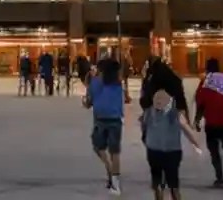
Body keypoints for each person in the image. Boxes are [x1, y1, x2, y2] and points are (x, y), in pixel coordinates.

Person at [142, 86, 203, 200]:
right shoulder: (176, 114)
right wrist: (195, 144)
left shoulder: (149, 112)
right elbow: (186, 129)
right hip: (172, 151)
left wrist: (146, 139)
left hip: (154, 150)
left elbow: (144, 127)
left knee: (157, 183)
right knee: (173, 184)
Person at [84, 54, 131, 195]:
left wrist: (85, 99)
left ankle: (110, 170)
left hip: (100, 119)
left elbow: (89, 102)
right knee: (115, 152)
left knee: (98, 146)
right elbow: (127, 99)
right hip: (116, 119)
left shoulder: (96, 82)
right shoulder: (118, 83)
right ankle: (116, 184)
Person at [194, 58, 223, 189]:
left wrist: (197, 120)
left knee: (214, 152)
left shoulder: (205, 81)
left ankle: (220, 178)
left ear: (207, 68)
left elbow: (200, 103)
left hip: (212, 123)